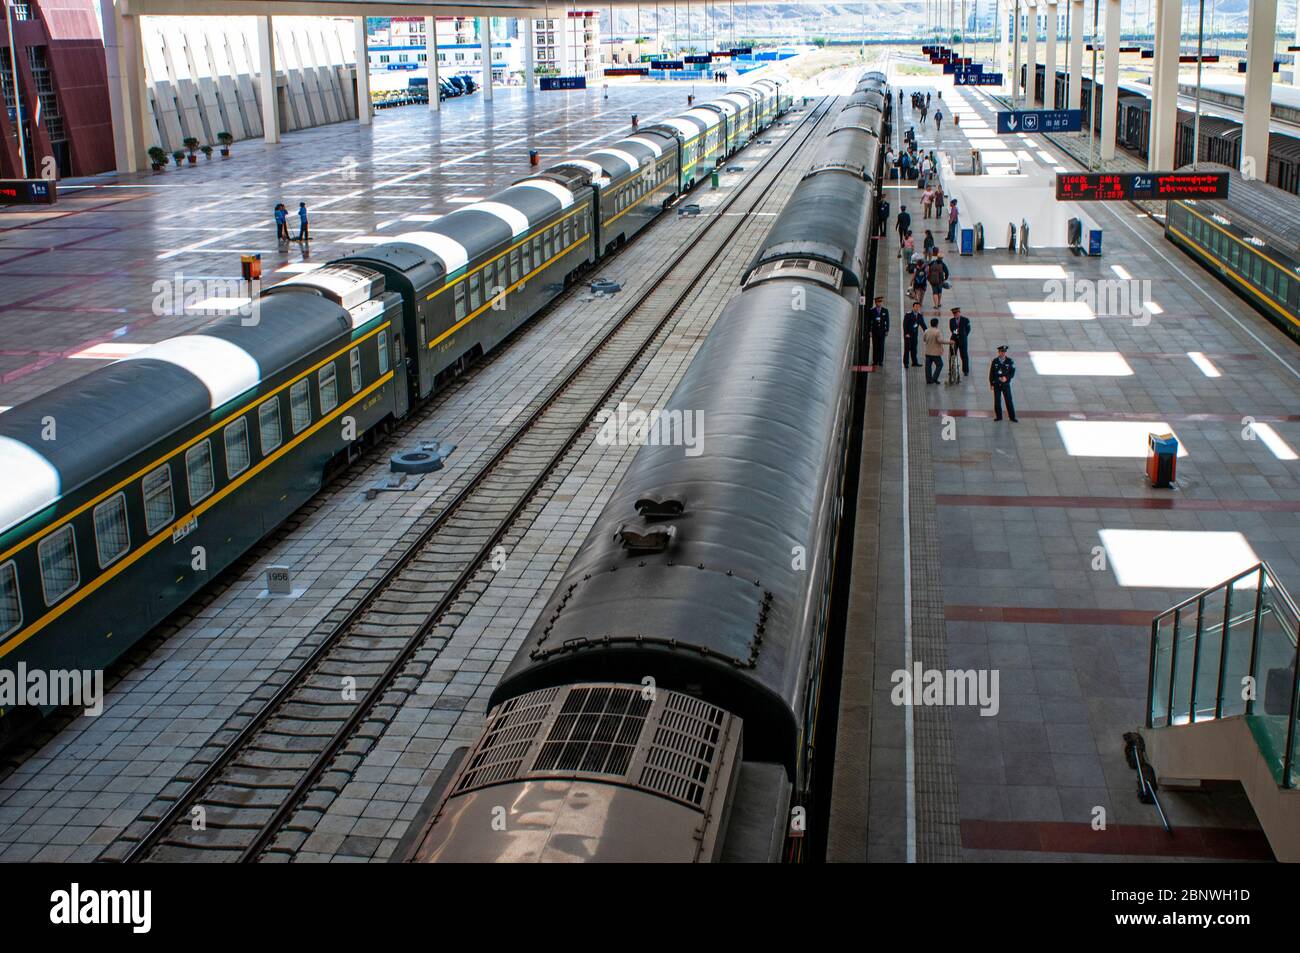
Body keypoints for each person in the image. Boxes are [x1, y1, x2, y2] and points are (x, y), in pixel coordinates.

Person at [990, 345, 1018, 422]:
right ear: (998, 352)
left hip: (1005, 384)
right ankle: (999, 417)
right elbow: (991, 373)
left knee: (1008, 400)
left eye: (1004, 352)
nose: (1003, 353)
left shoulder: (1010, 361)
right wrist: (991, 384)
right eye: (1001, 352)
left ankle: (1012, 417)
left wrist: (1006, 378)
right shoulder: (995, 361)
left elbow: (1012, 373)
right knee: (997, 401)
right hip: (997, 384)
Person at [867, 295, 890, 368]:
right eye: (878, 302)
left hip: (882, 331)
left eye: (881, 302)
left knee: (881, 346)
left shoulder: (885, 311)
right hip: (875, 331)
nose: (880, 303)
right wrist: (869, 331)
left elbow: (887, 321)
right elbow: (869, 321)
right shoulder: (872, 311)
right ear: (875, 302)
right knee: (875, 346)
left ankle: (880, 361)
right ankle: (875, 361)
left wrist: (887, 330)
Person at [948, 306, 971, 377]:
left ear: (959, 313)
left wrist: (963, 335)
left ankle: (965, 370)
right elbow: (952, 329)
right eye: (954, 313)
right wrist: (955, 335)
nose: (955, 315)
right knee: (952, 355)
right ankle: (951, 370)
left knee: (964, 355)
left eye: (956, 313)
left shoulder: (965, 320)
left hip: (962, 339)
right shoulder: (951, 320)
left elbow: (968, 329)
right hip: (954, 339)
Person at [922, 318, 946, 384]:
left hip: (928, 352)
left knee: (928, 367)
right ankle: (934, 378)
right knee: (940, 365)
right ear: (937, 324)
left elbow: (924, 339)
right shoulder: (937, 332)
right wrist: (949, 342)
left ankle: (928, 380)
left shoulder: (926, 331)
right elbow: (940, 341)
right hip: (935, 353)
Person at [902, 303, 924, 368]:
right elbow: (904, 325)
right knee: (907, 349)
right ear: (913, 307)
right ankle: (906, 363)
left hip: (915, 335)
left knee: (914, 349)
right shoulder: (908, 314)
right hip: (908, 335)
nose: (917, 308)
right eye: (916, 307)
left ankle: (914, 362)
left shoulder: (919, 316)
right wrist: (906, 334)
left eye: (918, 307)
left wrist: (927, 331)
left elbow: (923, 324)